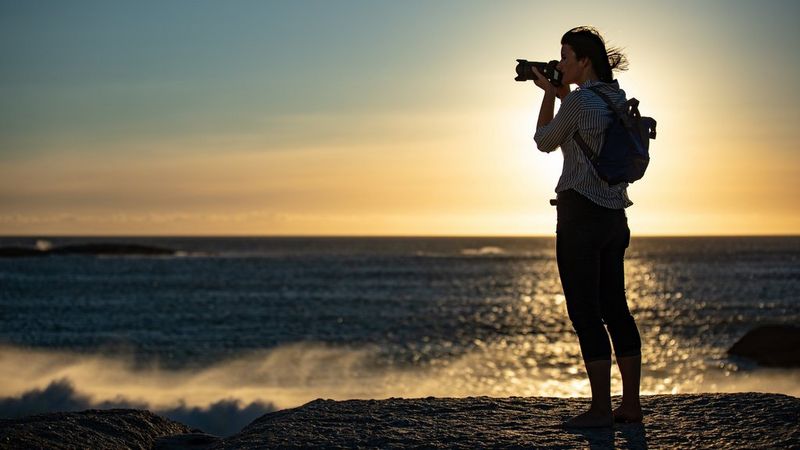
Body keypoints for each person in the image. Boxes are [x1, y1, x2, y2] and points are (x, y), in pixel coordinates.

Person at [531, 26, 643, 427]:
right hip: (616, 216)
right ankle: (631, 405)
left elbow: (545, 140)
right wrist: (564, 96)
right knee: (617, 309)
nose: (560, 64)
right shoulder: (614, 99)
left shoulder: (579, 102)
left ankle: (599, 409)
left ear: (583, 61)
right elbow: (587, 131)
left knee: (584, 312)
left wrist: (548, 93)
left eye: (565, 56)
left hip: (580, 216)